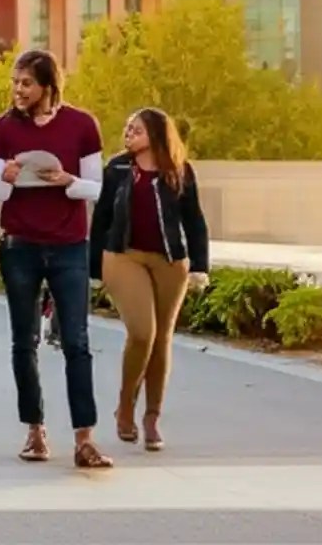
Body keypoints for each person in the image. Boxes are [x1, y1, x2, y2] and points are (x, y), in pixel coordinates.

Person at [0, 49, 113, 468]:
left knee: (76, 341)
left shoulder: (81, 125)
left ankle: (84, 438)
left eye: (26, 83)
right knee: (24, 342)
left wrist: (68, 180)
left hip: (69, 246)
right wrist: (5, 179)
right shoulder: (4, 129)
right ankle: (35, 432)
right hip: (19, 246)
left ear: (47, 86)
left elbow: (98, 189)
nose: (18, 90)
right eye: (15, 83)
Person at [90, 108, 210, 452]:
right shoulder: (117, 169)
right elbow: (100, 219)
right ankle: (125, 405)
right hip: (123, 255)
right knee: (143, 332)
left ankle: (152, 417)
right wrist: (94, 270)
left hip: (170, 261)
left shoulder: (179, 171)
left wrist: (200, 265)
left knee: (162, 340)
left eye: (137, 129)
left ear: (156, 134)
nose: (129, 133)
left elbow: (195, 221)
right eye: (127, 128)